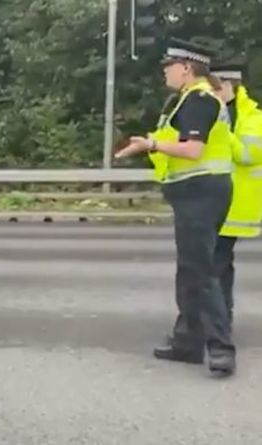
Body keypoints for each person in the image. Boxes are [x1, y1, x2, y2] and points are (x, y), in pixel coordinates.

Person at [115, 38, 236, 376]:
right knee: (191, 269)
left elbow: (193, 149)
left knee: (202, 271)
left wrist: (150, 144)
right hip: (196, 192)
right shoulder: (187, 98)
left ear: (186, 67)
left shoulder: (199, 99)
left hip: (201, 192)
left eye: (169, 66)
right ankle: (187, 342)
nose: (164, 72)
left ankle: (221, 349)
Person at [210, 57, 262, 327]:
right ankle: (218, 320)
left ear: (228, 85)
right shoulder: (213, 109)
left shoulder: (253, 118)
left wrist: (221, 129)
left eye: (215, 86)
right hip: (210, 202)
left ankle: (219, 323)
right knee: (216, 266)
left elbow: (247, 154)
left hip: (234, 206)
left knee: (216, 266)